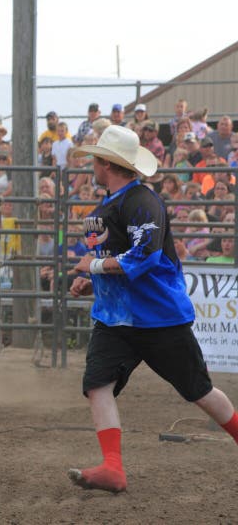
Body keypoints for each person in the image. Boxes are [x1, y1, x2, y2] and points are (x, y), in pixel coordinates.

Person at [67, 125, 238, 493]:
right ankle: (113, 467)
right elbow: (120, 258)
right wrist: (92, 280)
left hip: (159, 319)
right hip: (116, 320)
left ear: (106, 163)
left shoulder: (142, 201)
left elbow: (144, 256)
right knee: (98, 385)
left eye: (96, 158)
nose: (92, 165)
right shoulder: (116, 204)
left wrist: (92, 268)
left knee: (200, 391)